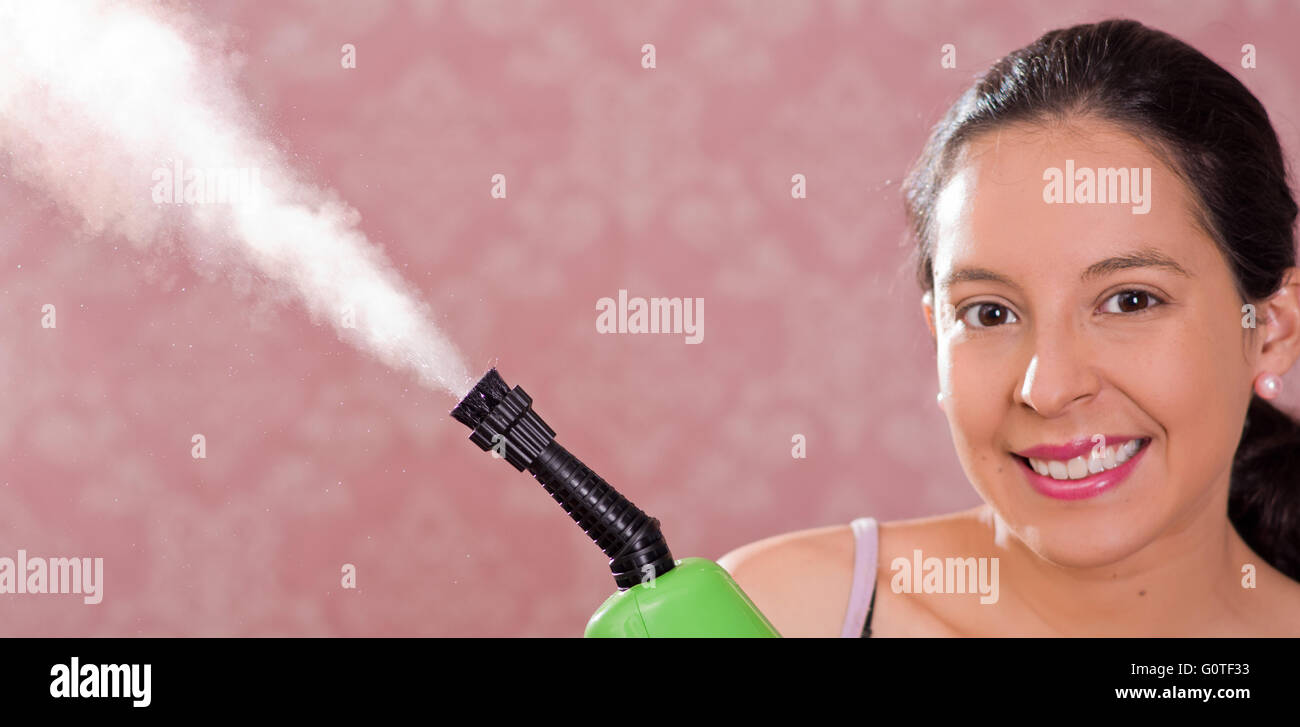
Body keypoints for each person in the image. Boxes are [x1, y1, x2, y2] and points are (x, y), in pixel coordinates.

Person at [718, 18, 1300, 637]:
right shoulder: (774, 613)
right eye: (989, 313)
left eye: (1130, 301)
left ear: (1269, 328)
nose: (1047, 389)